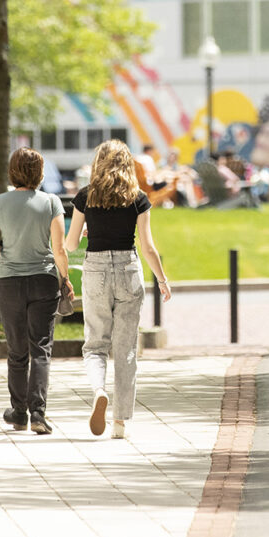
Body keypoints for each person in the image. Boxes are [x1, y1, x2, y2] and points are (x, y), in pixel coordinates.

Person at [67, 141, 173, 440]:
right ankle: (120, 422)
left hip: (96, 271)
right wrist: (162, 280)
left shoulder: (85, 197)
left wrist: (88, 231)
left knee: (95, 344)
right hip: (128, 269)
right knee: (125, 350)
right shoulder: (138, 198)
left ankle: (99, 391)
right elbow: (149, 247)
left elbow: (71, 244)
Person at [0, 147, 73, 435]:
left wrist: (10, 251)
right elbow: (58, 249)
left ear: (12, 172)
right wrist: (65, 278)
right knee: (41, 349)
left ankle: (18, 412)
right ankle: (39, 413)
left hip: (9, 282)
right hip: (43, 280)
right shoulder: (51, 202)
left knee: (17, 351)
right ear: (40, 173)